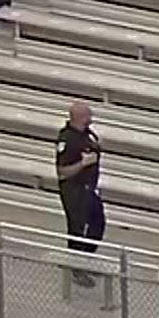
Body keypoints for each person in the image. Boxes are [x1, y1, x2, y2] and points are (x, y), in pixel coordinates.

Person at [54, 101, 106, 286]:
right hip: (74, 190)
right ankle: (76, 267)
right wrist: (83, 164)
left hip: (90, 188)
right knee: (77, 227)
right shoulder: (67, 139)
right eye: (88, 115)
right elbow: (62, 171)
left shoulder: (87, 134)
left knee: (98, 223)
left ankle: (85, 259)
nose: (91, 118)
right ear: (80, 117)